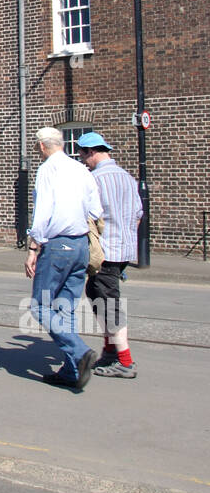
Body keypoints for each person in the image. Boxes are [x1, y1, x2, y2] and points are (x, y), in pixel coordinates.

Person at [25, 127, 103, 391]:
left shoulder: (48, 169)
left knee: (40, 306)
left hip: (57, 245)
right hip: (81, 243)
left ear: (42, 146)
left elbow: (43, 209)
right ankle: (71, 371)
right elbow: (96, 208)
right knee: (65, 308)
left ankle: (80, 352)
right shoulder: (80, 169)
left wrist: (33, 247)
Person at [77, 131, 144, 379]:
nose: (83, 161)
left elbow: (87, 214)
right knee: (95, 293)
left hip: (105, 251)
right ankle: (109, 351)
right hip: (124, 249)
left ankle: (124, 361)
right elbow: (138, 214)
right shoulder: (127, 178)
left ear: (91, 152)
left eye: (84, 156)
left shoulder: (94, 180)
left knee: (108, 302)